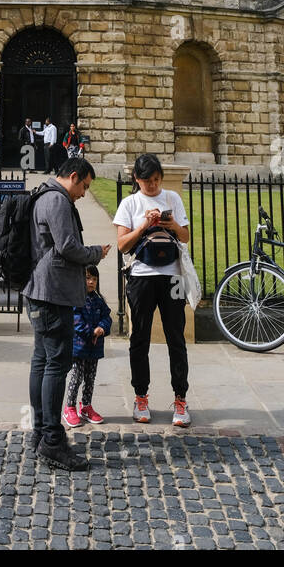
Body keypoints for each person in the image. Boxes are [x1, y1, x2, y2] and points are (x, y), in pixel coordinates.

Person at [23, 157, 110, 471]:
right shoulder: (57, 201)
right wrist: (96, 253)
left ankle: (39, 433)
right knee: (56, 365)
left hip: (38, 291)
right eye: (85, 186)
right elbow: (69, 247)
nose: (84, 193)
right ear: (74, 176)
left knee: (42, 362)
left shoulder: (42, 194)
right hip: (52, 294)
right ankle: (52, 441)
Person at [114, 152, 191, 428]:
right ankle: (140, 396)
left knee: (176, 339)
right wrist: (145, 225)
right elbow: (122, 245)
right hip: (142, 277)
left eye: (157, 180)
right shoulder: (129, 203)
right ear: (137, 179)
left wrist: (170, 224)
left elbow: (185, 237)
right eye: (148, 181)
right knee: (140, 339)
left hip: (172, 277)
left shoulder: (172, 198)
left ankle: (180, 399)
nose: (153, 185)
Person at [63, 265, 112, 427]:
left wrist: (102, 328)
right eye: (87, 278)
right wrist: (91, 332)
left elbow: (107, 317)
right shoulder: (76, 299)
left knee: (90, 378)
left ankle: (86, 406)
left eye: (94, 279)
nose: (91, 282)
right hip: (79, 347)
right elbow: (76, 321)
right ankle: (69, 407)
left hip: (95, 348)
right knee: (76, 377)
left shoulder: (98, 300)